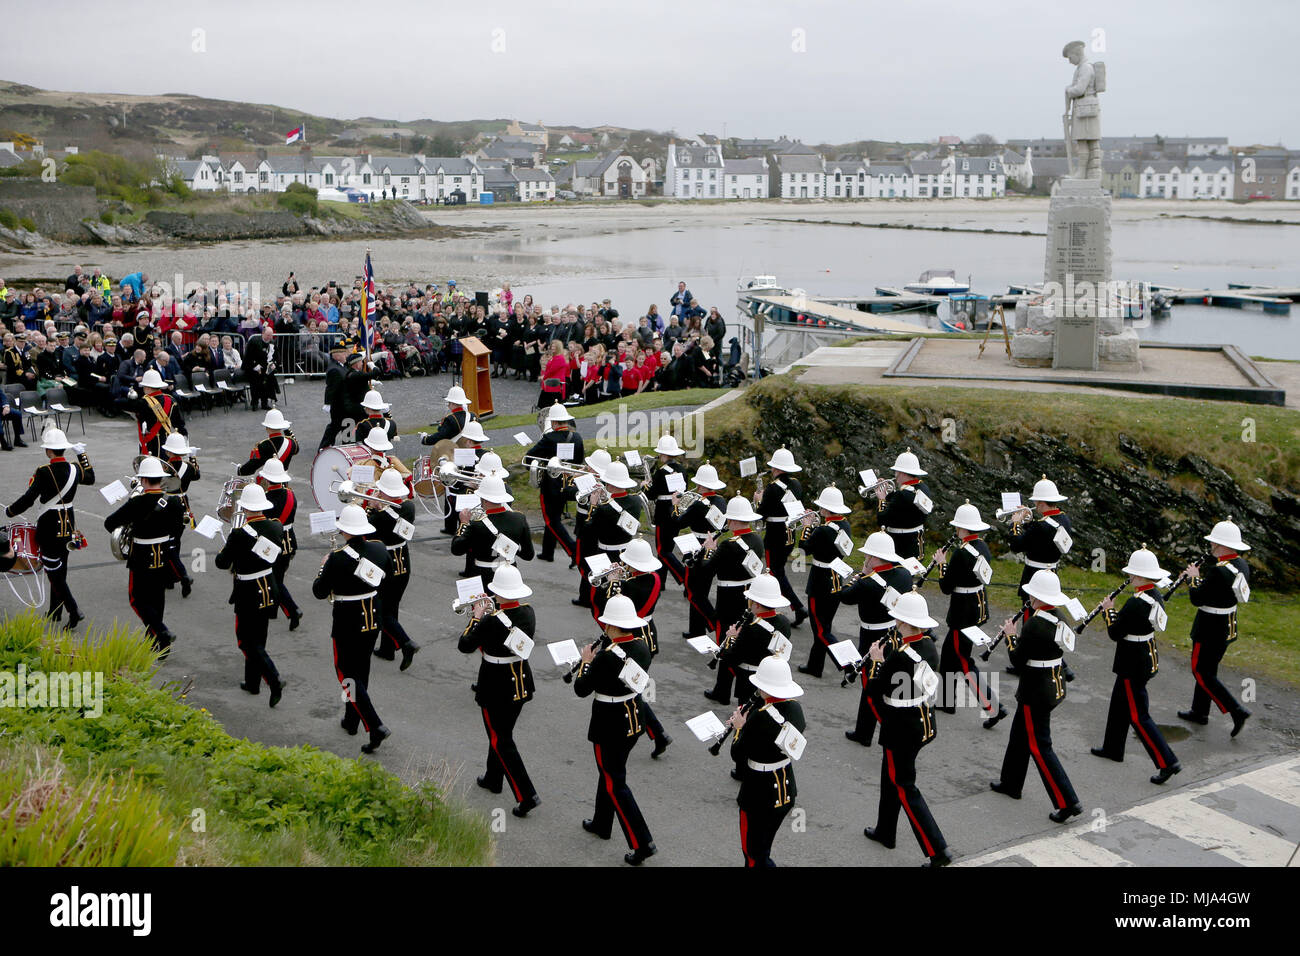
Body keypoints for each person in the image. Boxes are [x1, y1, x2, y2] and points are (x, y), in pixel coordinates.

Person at [863, 591, 951, 867]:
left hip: (902, 726)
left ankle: (938, 850)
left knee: (903, 785)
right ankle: (886, 830)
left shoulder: (900, 657)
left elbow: (876, 689)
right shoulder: (927, 646)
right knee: (890, 777)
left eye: (899, 621)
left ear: (905, 623)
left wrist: (875, 662)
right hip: (921, 719)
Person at [990, 569, 1083, 823]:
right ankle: (1010, 783)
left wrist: (1010, 636)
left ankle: (1067, 801)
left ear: (1037, 598)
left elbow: (1017, 661)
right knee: (1019, 735)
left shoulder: (1035, 624)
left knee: (1040, 746)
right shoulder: (1057, 616)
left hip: (1036, 690)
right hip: (1051, 682)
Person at [573, 594, 657, 866]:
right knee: (609, 771)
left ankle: (642, 842)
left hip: (610, 722)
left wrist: (586, 662)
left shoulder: (606, 657)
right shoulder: (642, 646)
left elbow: (581, 689)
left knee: (614, 781)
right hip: (633, 717)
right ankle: (602, 822)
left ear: (611, 626)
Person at [1092, 545, 1181, 784]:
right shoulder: (1154, 595)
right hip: (1144, 654)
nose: (1129, 578)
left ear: (1140, 577)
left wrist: (1108, 611)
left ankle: (1167, 761)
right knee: (1119, 701)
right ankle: (1113, 748)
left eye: (1132, 574)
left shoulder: (1136, 602)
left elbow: (1115, 632)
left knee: (1138, 714)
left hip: (1133, 660)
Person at [459, 565, 541, 817]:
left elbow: (465, 645)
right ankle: (493, 778)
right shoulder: (528, 612)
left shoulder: (489, 621)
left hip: (496, 683)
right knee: (503, 732)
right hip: (520, 681)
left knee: (500, 739)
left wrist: (476, 616)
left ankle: (526, 794)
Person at [311, 504, 393, 754]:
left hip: (348, 621)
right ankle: (351, 719)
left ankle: (374, 724)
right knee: (361, 669)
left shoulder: (337, 558)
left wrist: (323, 567)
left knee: (346, 674)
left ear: (344, 530)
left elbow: (319, 591)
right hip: (372, 617)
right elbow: (385, 578)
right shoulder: (379, 548)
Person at [586, 538, 672, 759]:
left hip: (627, 637)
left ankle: (656, 731)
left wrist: (613, 581)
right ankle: (657, 733)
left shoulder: (627, 586)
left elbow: (603, 606)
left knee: (628, 688)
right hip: (647, 634)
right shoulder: (653, 578)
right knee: (634, 686)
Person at [4, 428, 95, 626]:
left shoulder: (44, 471)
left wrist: (10, 511)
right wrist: (82, 455)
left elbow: (29, 499)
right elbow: (90, 477)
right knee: (60, 569)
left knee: (54, 572)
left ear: (49, 451)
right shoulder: (74, 468)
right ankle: (55, 612)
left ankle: (73, 610)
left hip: (49, 526)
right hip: (68, 524)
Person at [103, 456, 186, 653]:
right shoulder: (173, 502)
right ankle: (159, 643)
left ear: (144, 480)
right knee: (158, 600)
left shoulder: (137, 503)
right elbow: (176, 531)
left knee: (137, 599)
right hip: (163, 554)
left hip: (141, 555)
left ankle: (161, 631)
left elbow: (109, 523)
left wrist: (131, 522)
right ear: (160, 479)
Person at [934, 501, 1006, 728]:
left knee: (963, 660)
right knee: (948, 655)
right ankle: (946, 701)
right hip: (976, 604)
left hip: (962, 611)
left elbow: (946, 587)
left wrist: (941, 564)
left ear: (962, 528)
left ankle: (992, 707)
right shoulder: (982, 546)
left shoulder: (961, 553)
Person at [1178, 518, 1252, 737]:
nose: (1211, 547)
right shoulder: (1240, 565)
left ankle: (1236, 710)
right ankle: (1200, 711)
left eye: (1214, 544)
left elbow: (1198, 599)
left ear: (1222, 546)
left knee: (1200, 670)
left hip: (1210, 627)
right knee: (1210, 669)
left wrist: (1192, 580)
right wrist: (1199, 581)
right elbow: (1218, 593)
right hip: (1227, 625)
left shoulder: (1219, 570)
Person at [214, 483, 286, 707]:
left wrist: (225, 549)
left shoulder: (239, 534)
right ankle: (252, 682)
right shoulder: (276, 526)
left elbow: (221, 562)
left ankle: (273, 679)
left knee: (246, 640)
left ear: (244, 508)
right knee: (259, 637)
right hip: (269, 586)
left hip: (248, 590)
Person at [730, 655, 806, 867]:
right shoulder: (795, 709)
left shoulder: (759, 717)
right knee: (762, 851)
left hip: (759, 792)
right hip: (785, 788)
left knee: (753, 855)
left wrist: (739, 728)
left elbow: (737, 753)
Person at [839, 532, 913, 744]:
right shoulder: (903, 574)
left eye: (869, 557)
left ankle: (878, 732)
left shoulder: (867, 582)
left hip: (871, 635)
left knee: (870, 685)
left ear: (874, 558)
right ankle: (864, 732)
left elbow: (845, 596)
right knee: (881, 682)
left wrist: (860, 575)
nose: (866, 560)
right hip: (893, 632)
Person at [1004, 476, 1074, 678]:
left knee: (1030, 619)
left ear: (1042, 503)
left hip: (1034, 574)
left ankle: (1023, 661)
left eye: (1036, 503)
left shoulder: (1042, 525)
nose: (1034, 505)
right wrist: (1029, 522)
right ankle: (1063, 665)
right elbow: (1038, 537)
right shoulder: (1062, 519)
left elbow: (1017, 545)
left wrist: (1016, 524)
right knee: (1048, 616)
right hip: (1051, 572)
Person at [699, 495, 767, 703]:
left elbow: (707, 570)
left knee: (726, 642)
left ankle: (722, 691)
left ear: (736, 521)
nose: (728, 523)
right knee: (736, 641)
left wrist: (709, 550)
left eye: (730, 520)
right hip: (748, 596)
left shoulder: (729, 544)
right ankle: (723, 689)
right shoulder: (756, 539)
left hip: (729, 598)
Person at [795, 485, 854, 678]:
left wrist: (806, 528)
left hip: (820, 582)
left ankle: (848, 663)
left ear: (827, 510)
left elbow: (804, 548)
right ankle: (815, 666)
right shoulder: (844, 525)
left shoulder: (823, 531)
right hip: (836, 580)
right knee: (824, 627)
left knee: (821, 631)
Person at [368, 468, 421, 670]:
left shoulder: (380, 517)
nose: (378, 493)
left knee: (379, 609)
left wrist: (373, 507)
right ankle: (387, 648)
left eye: (381, 491)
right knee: (392, 606)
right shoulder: (408, 507)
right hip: (403, 562)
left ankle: (405, 643)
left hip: (385, 562)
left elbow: (364, 531)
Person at [753, 447, 807, 626]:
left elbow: (761, 513)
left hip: (775, 534)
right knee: (779, 572)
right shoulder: (796, 484)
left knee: (775, 573)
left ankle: (795, 607)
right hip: (790, 533)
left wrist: (758, 500)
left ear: (777, 468)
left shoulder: (772, 488)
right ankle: (795, 607)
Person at [450, 474, 534, 586]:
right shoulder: (519, 519)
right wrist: (509, 548)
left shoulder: (477, 524)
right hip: (510, 576)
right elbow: (528, 555)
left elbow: (456, 549)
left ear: (483, 499)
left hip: (482, 578)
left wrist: (464, 523)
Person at [527, 402, 585, 563]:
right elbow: (579, 461)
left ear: (553, 422)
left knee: (551, 520)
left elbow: (529, 458)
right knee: (555, 517)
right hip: (568, 483)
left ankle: (573, 550)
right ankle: (547, 552)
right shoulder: (577, 437)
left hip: (551, 484)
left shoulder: (548, 438)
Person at [256, 458, 302, 631]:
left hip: (273, 543)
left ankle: (292, 610)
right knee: (279, 577)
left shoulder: (266, 499)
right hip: (290, 541)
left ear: (267, 479)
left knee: (273, 580)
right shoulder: (291, 494)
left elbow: (263, 523)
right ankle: (273, 609)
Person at [875, 448, 934, 561]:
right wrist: (888, 493)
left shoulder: (902, 495)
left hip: (901, 545)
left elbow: (881, 520)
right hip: (916, 543)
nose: (895, 475)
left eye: (896, 471)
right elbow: (902, 505)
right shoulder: (922, 487)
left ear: (901, 473)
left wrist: (882, 499)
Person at [160, 431, 199, 599]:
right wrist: (193, 459)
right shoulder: (189, 467)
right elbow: (197, 475)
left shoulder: (162, 466)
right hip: (183, 507)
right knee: (175, 541)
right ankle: (170, 578)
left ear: (168, 451)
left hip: (166, 505)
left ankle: (181, 576)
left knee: (166, 544)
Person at [645, 434, 688, 587]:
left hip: (663, 512)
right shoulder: (682, 469)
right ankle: (660, 581)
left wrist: (645, 485)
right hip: (676, 511)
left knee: (662, 550)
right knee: (667, 547)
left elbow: (651, 494)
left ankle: (683, 576)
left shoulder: (661, 472)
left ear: (664, 454)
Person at [121, 368, 186, 457]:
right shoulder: (171, 400)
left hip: (150, 442)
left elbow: (125, 406)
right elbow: (179, 423)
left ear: (147, 387)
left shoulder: (143, 402)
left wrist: (130, 398)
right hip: (167, 442)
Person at [237, 409, 298, 475]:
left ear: (267, 428)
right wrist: (286, 430)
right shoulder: (291, 442)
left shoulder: (263, 445)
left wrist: (240, 470)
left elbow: (252, 465)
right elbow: (296, 448)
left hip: (269, 481)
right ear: (281, 426)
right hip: (284, 480)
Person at [243, 325, 279, 410]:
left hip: (266, 367)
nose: (269, 337)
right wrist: (255, 366)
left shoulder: (272, 343)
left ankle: (264, 403)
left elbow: (276, 356)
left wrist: (274, 364)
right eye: (268, 335)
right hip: (252, 367)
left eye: (271, 335)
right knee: (255, 382)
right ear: (263, 333)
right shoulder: (254, 341)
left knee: (267, 381)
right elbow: (248, 356)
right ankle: (254, 403)